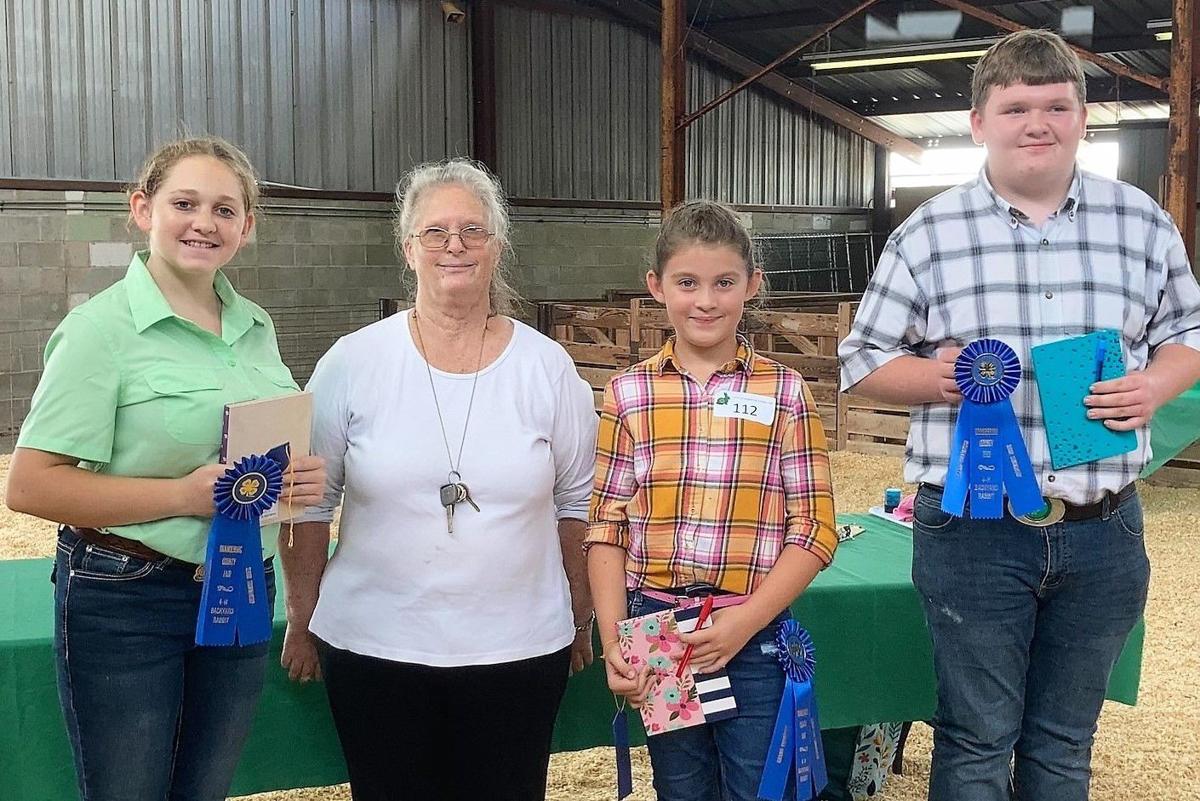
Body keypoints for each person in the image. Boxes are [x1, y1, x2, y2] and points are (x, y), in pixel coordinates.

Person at [838, 30, 1200, 801]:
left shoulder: (1140, 222)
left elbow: (1187, 335)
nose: (1037, 121)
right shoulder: (928, 232)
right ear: (978, 122)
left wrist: (1156, 385)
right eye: (1016, 106)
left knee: (1064, 744)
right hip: (972, 530)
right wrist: (943, 378)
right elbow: (862, 360)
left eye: (1056, 105)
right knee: (973, 740)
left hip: (1104, 528)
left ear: (1082, 118)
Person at [5, 136, 327, 801]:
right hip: (128, 594)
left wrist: (295, 484)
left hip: (239, 585)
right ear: (142, 208)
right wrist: (180, 495)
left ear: (247, 226)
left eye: (224, 209)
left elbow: (258, 459)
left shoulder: (255, 326)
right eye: (185, 202)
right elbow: (31, 484)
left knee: (205, 789)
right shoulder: (100, 330)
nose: (204, 222)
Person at [280, 158, 598, 801]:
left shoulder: (547, 367)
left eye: (473, 231)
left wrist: (580, 610)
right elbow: (310, 504)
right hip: (375, 649)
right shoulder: (352, 361)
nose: (454, 245)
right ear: (408, 248)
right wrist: (301, 613)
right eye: (435, 231)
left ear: (498, 246)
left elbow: (577, 501)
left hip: (519, 651)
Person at [587, 200, 838, 801]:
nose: (706, 301)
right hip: (659, 632)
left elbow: (814, 530)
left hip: (750, 630)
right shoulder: (628, 395)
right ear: (656, 287)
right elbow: (606, 528)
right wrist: (614, 638)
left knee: (759, 787)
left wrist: (745, 623)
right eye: (687, 283)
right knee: (682, 787)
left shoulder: (784, 391)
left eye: (724, 282)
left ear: (752, 285)